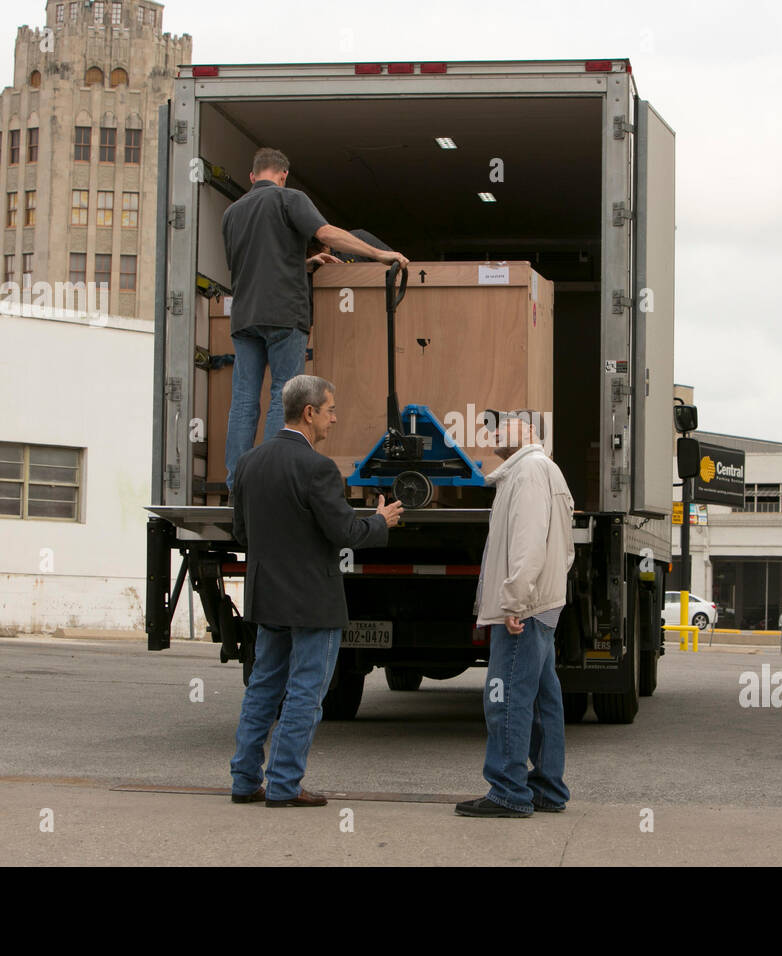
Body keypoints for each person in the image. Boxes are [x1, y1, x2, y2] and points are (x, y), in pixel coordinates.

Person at [229, 374, 404, 807]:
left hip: (268, 597)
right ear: (309, 413)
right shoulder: (318, 468)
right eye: (330, 410)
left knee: (263, 689)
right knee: (306, 692)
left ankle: (244, 780)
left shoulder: (249, 463)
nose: (334, 418)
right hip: (313, 603)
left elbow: (240, 533)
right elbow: (344, 531)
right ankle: (285, 786)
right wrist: (380, 522)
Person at [221, 147, 409, 491]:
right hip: (283, 314)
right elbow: (327, 234)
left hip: (244, 317)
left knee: (244, 398)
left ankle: (237, 482)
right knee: (284, 393)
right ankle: (272, 478)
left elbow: (251, 265)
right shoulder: (289, 199)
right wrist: (379, 253)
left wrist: (303, 264)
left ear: (252, 176)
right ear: (283, 175)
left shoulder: (231, 213)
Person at [455, 410, 575, 818]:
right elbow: (565, 549)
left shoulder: (527, 473)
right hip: (543, 603)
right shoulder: (546, 471)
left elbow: (528, 544)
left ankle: (508, 791)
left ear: (527, 432)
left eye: (502, 424)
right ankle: (548, 788)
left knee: (505, 696)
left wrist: (514, 601)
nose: (492, 430)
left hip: (525, 607)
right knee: (543, 700)